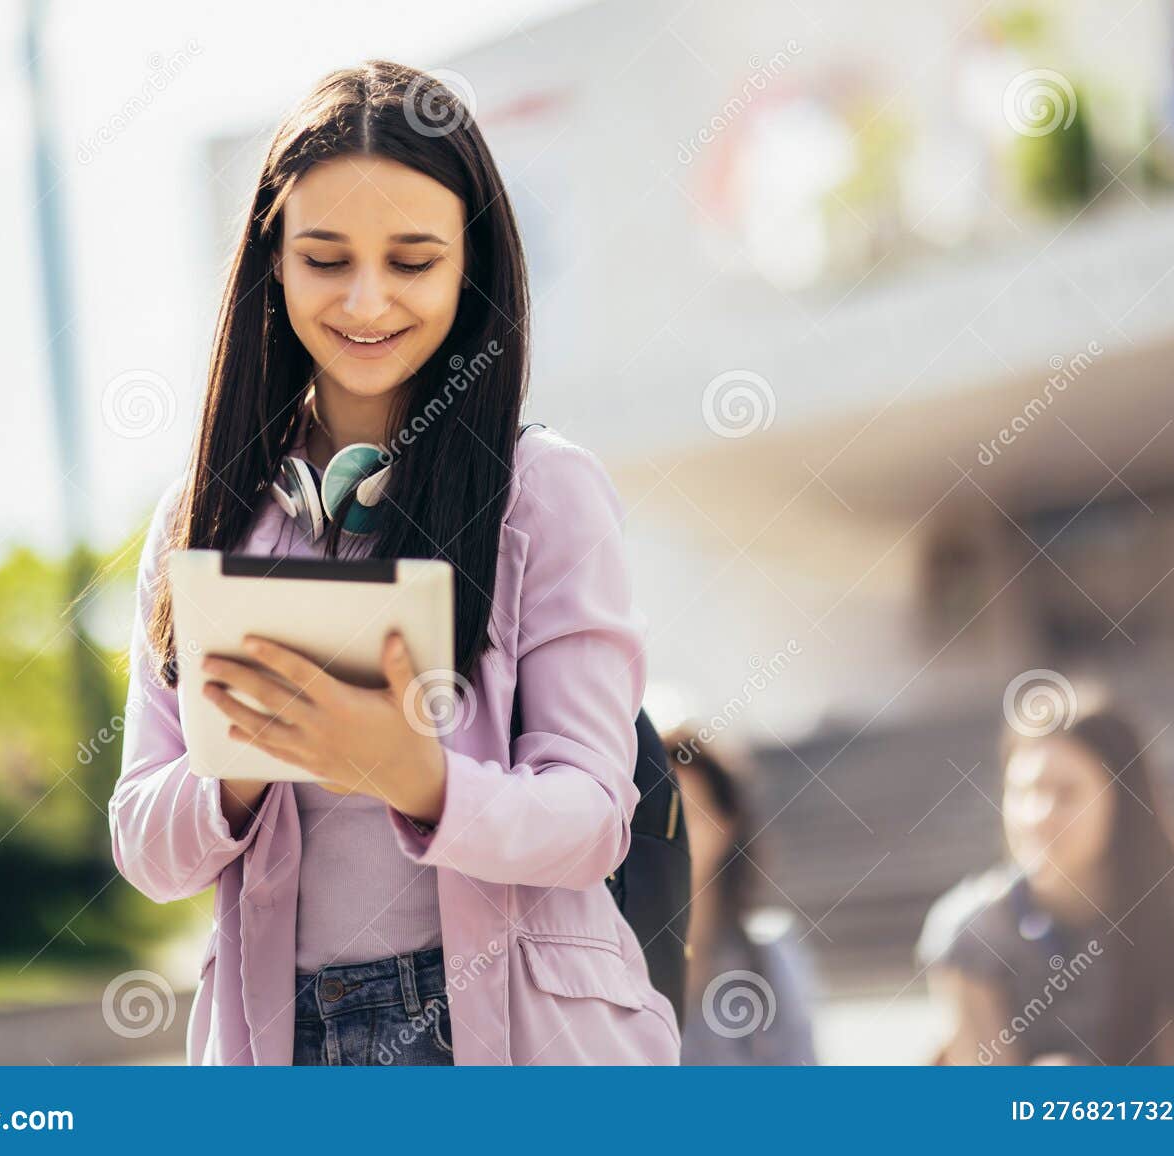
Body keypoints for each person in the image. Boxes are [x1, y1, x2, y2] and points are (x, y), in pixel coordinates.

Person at [107, 61, 680, 1067]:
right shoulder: (203, 518)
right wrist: (231, 780)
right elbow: (144, 844)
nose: (366, 299)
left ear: (472, 267)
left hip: (516, 1036)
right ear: (271, 267)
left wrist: (414, 775)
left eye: (412, 260)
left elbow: (593, 817)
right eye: (325, 258)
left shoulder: (544, 491)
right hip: (286, 1040)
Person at [918, 689, 1174, 1065]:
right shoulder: (971, 933)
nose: (1038, 815)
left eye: (1066, 793)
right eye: (1024, 791)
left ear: (1123, 801)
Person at [666, 726, 819, 1064]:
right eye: (658, 818)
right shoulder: (611, 955)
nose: (671, 837)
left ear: (725, 826)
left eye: (689, 818)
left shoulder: (769, 953)